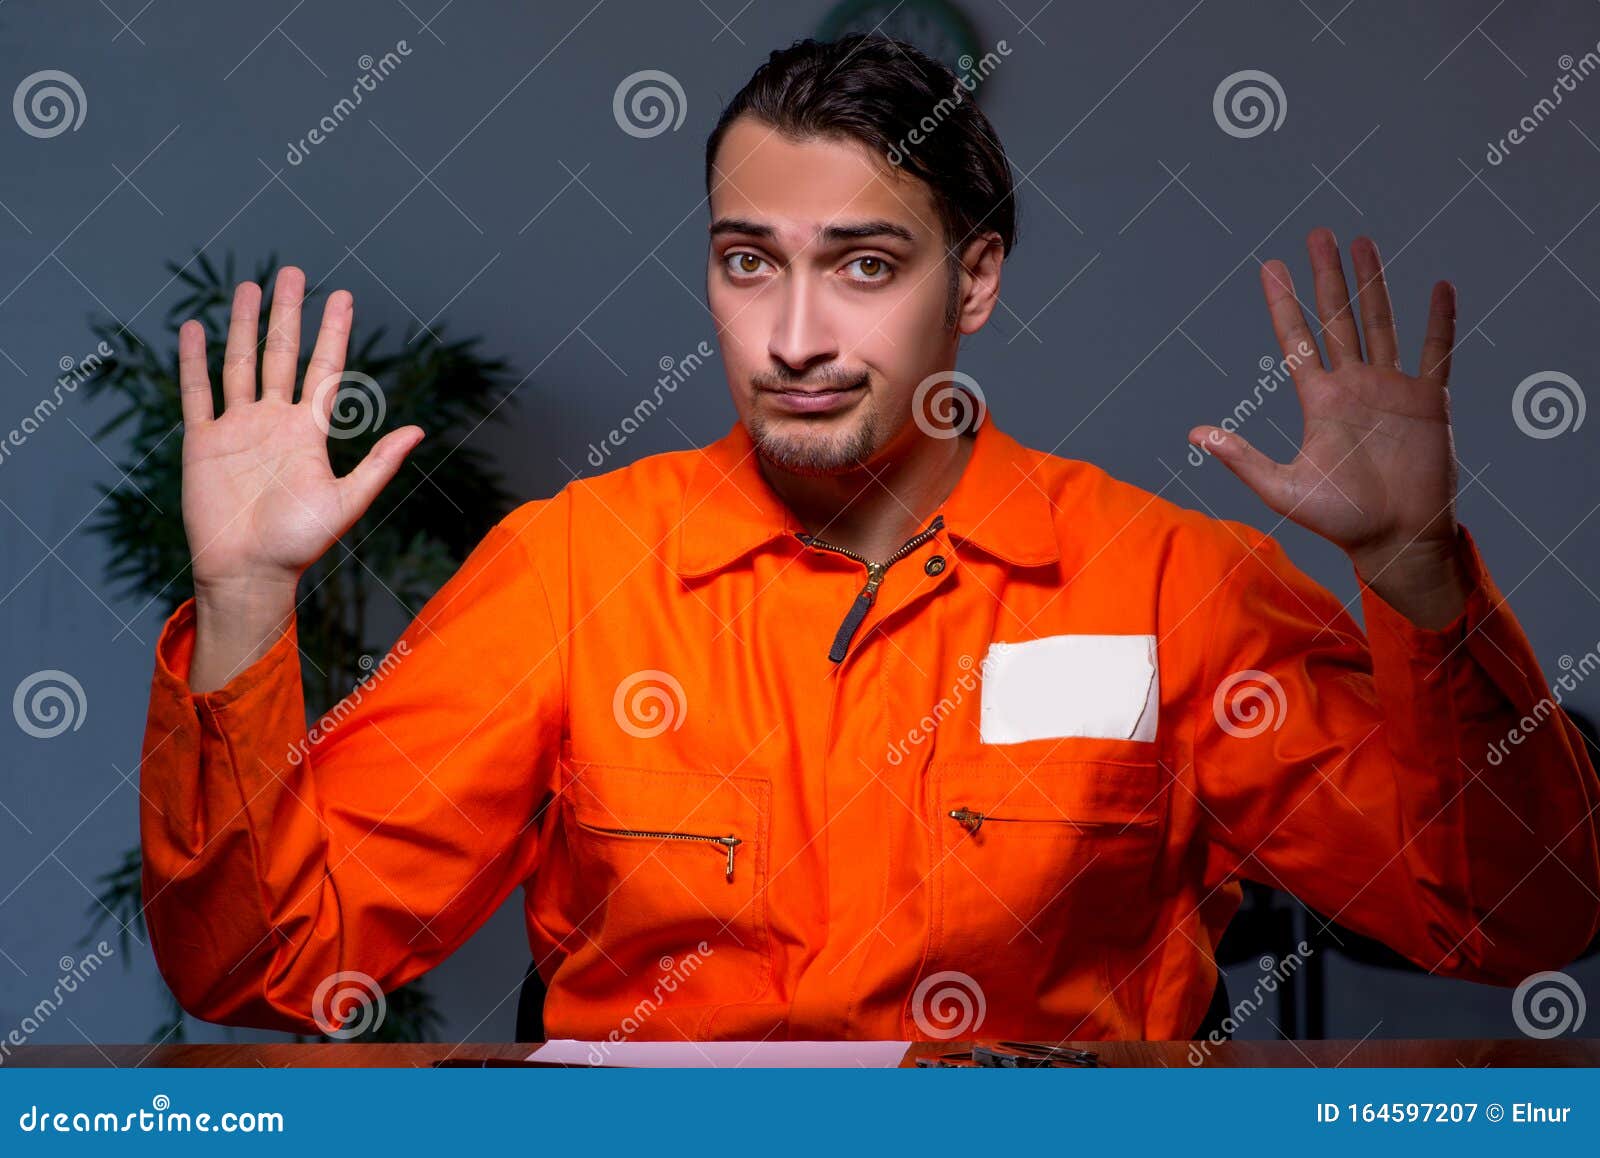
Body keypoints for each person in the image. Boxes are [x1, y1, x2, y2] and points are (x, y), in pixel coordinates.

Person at [140, 35, 1600, 1042]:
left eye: (863, 266)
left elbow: (1523, 920)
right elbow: (268, 969)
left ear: (971, 284)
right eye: (746, 263)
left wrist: (1420, 580)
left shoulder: (1169, 584)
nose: (792, 336)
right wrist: (246, 598)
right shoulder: (575, 570)